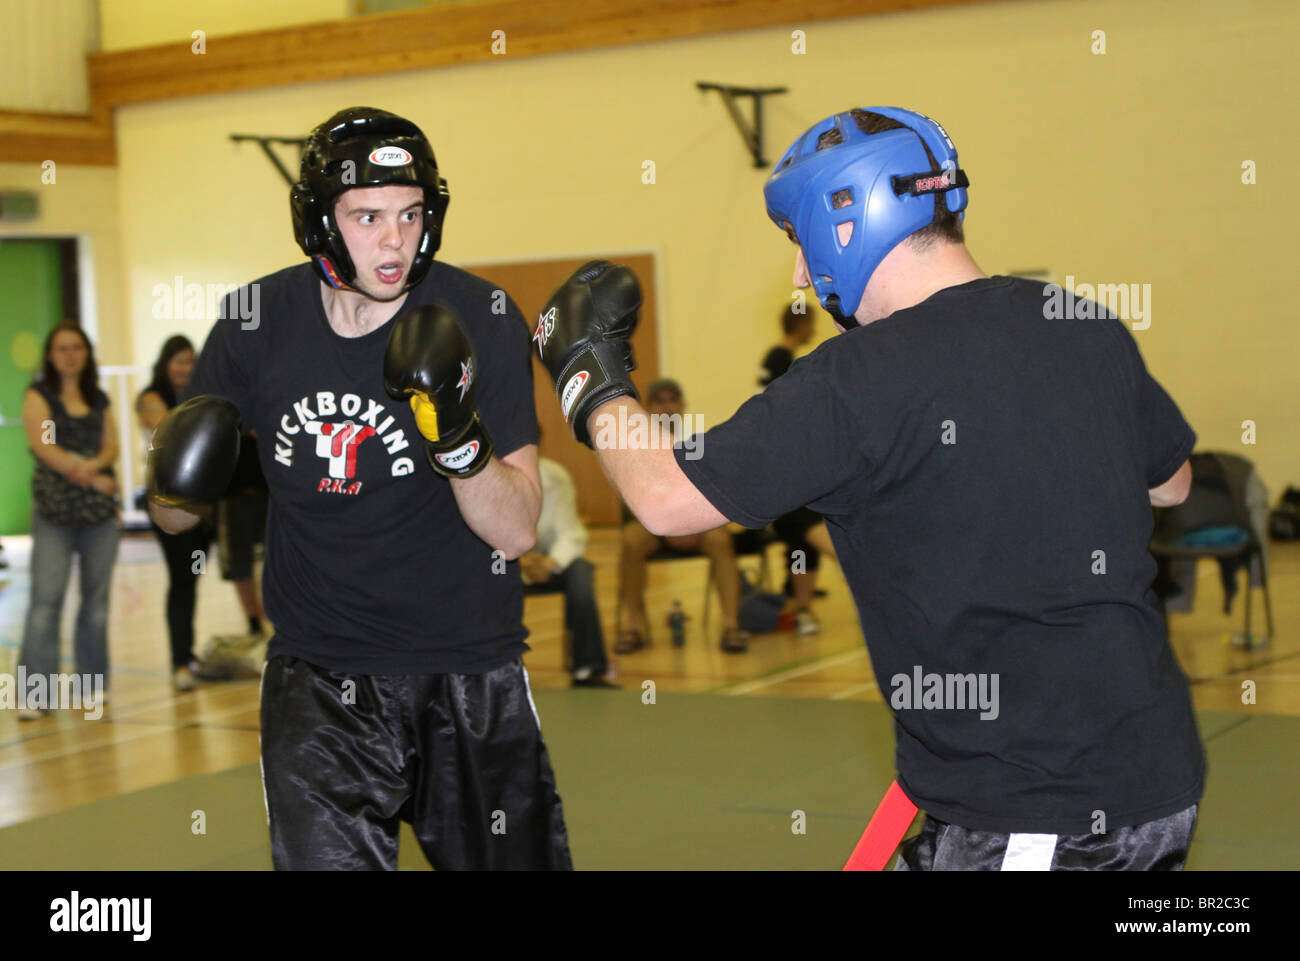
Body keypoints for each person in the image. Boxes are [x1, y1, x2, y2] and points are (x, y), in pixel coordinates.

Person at [534, 107, 1204, 871]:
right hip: (1148, 771)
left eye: (797, 244)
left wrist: (588, 375)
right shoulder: (1082, 323)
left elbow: (663, 500)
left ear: (844, 220)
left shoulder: (857, 377)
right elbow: (1173, 483)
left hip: (1038, 807)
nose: (797, 274)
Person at [146, 107, 570, 870]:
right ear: (318, 223)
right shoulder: (254, 321)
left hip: (466, 670)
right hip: (319, 678)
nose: (394, 240)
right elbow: (173, 519)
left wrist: (457, 436)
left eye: (410, 215)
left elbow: (515, 531)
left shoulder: (480, 315)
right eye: (368, 216)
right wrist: (177, 479)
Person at [18, 323, 120, 720]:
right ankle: (33, 694)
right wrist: (91, 474)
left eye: (77, 347)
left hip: (97, 517)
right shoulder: (38, 396)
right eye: (62, 348)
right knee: (46, 602)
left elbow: (110, 445)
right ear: (50, 354)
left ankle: (92, 686)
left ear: (86, 353)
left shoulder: (98, 398)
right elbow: (44, 445)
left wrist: (94, 466)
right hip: (54, 514)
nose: (70, 355)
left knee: (95, 605)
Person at [614, 378, 748, 653]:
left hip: (696, 524)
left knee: (721, 541)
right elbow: (631, 499)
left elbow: (711, 493)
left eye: (672, 401)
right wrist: (667, 529)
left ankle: (731, 625)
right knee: (630, 542)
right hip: (654, 525)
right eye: (660, 402)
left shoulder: (699, 439)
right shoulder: (635, 445)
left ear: (683, 406)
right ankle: (634, 625)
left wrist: (690, 527)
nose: (667, 407)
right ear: (648, 408)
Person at [137, 335, 212, 691]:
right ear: (165, 363)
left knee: (192, 579)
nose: (185, 368)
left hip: (205, 504)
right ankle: (179, 661)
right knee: (181, 580)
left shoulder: (202, 398)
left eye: (190, 361)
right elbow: (168, 430)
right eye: (178, 360)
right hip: (168, 506)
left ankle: (188, 652)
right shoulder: (152, 398)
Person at [755, 304, 830, 635]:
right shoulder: (781, 361)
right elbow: (777, 414)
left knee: (804, 540)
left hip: (795, 472)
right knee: (811, 534)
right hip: (780, 474)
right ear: (800, 325)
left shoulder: (780, 358)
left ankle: (800, 604)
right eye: (812, 324)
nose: (814, 331)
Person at [520, 441, 617, 688]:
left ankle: (587, 668)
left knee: (581, 571)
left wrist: (550, 563)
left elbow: (570, 532)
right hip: (505, 564)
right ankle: (501, 672)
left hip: (546, 564)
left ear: (538, 446)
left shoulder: (555, 477)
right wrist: (519, 561)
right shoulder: (485, 476)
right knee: (489, 579)